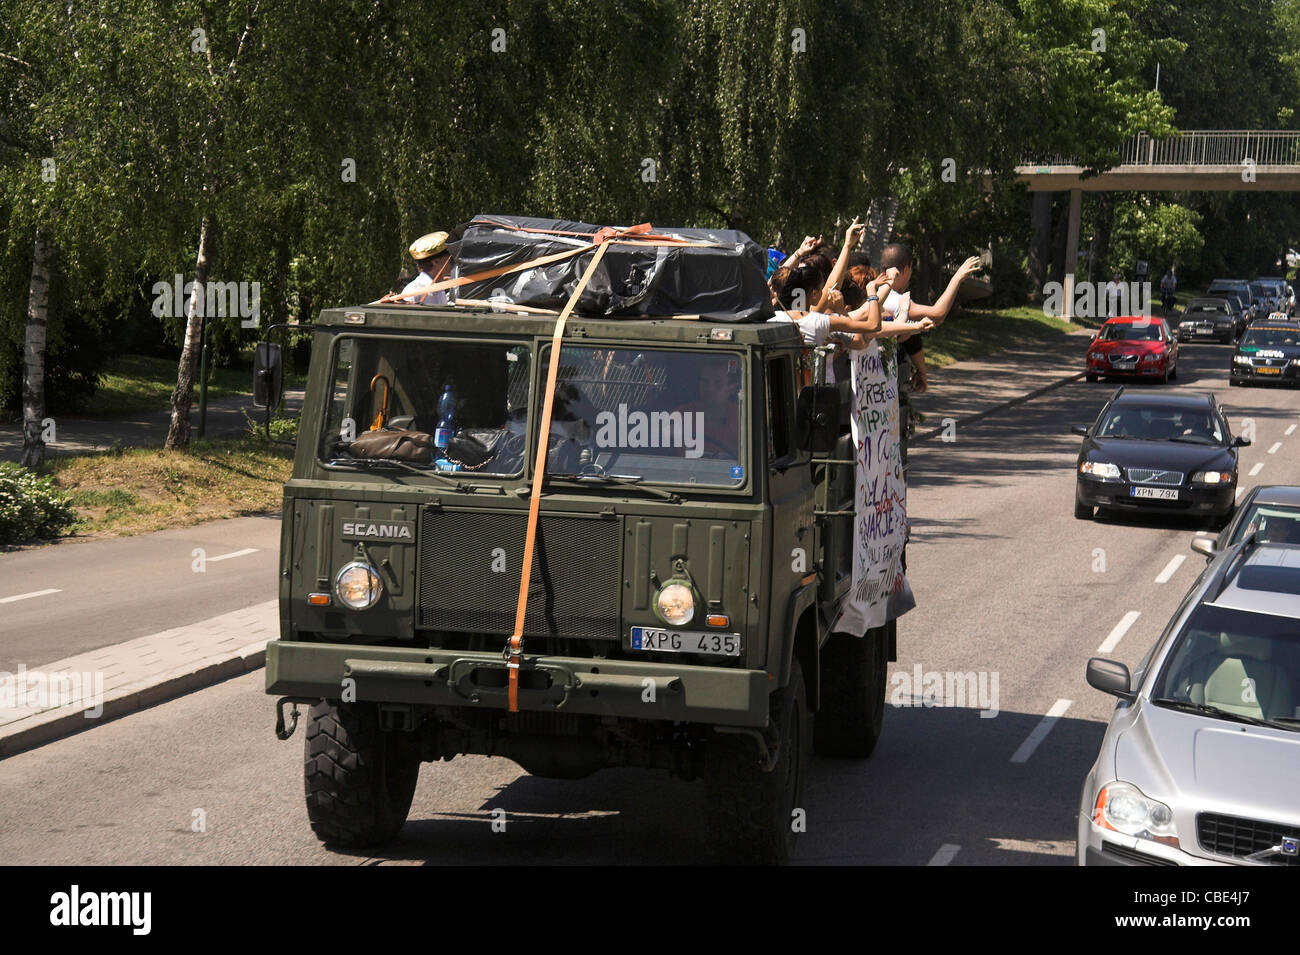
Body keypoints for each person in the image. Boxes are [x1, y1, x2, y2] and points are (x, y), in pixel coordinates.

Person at [398, 231, 452, 305]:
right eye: (449, 258)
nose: (452, 261)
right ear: (436, 262)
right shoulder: (413, 292)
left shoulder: (438, 288)